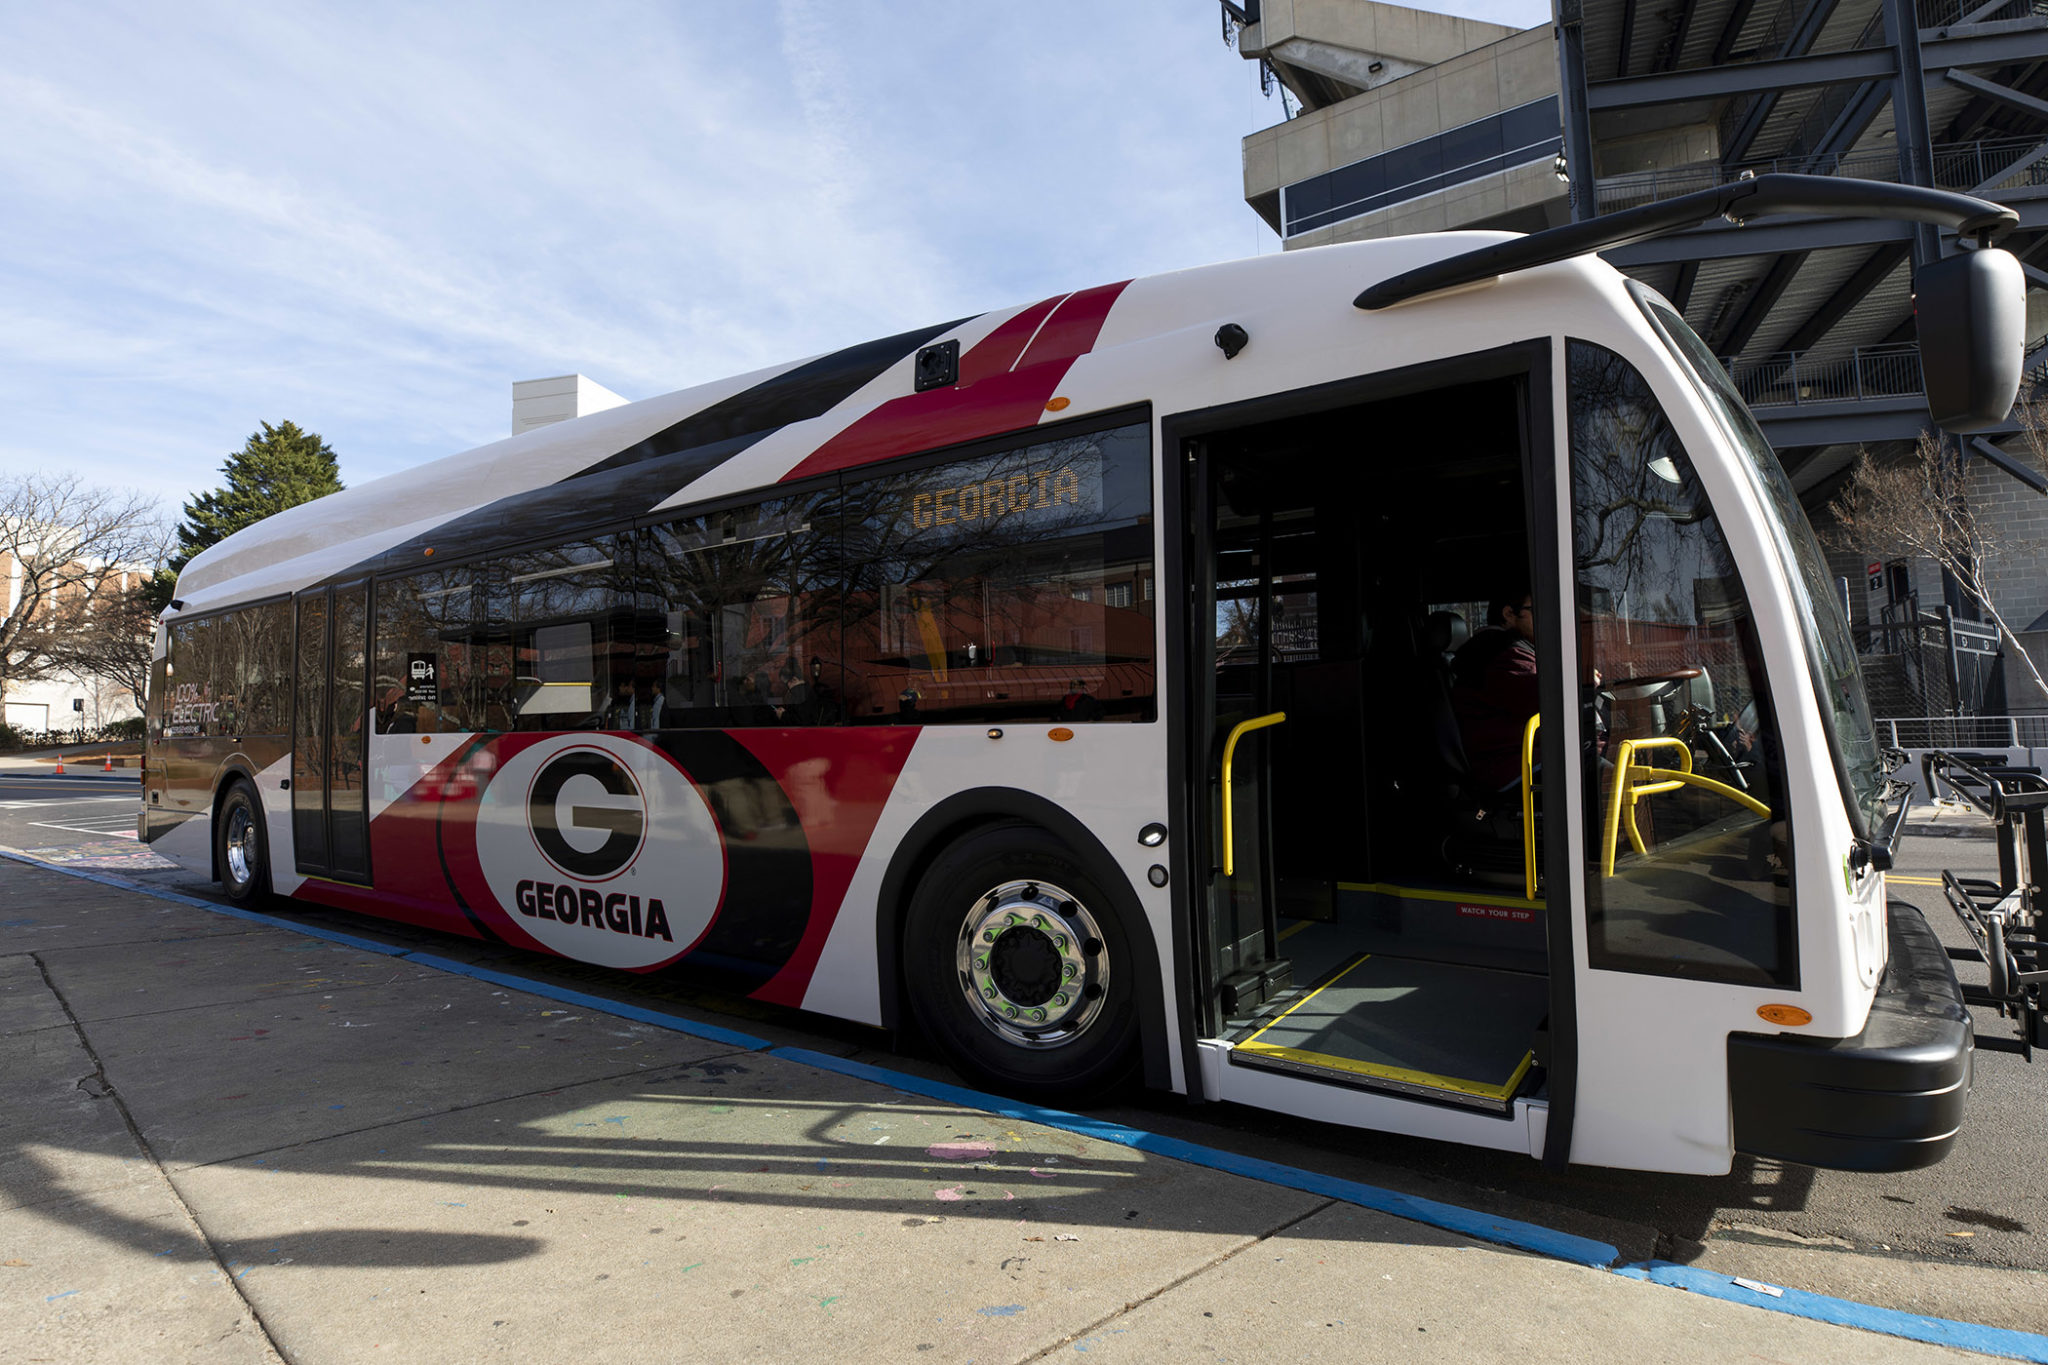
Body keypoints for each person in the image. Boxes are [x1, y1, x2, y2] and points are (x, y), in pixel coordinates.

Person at [1452, 586, 1541, 794]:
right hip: (1508, 765)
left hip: (1515, 757)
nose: (1547, 618)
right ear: (1509, 614)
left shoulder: (1504, 650)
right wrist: (1581, 682)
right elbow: (1543, 698)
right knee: (1609, 777)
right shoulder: (1501, 653)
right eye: (1537, 609)